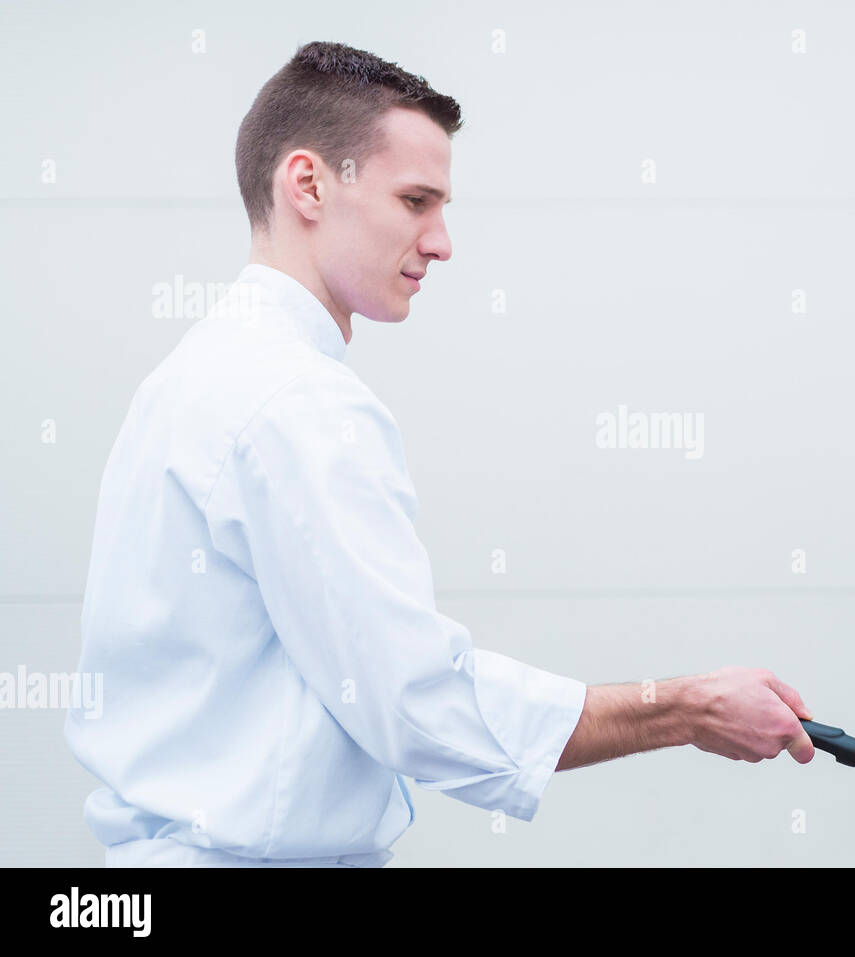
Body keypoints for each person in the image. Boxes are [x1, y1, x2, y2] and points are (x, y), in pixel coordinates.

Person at [64, 40, 815, 868]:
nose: (443, 241)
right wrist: (687, 707)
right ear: (308, 184)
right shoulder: (298, 402)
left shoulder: (188, 378)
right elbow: (418, 703)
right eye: (415, 200)